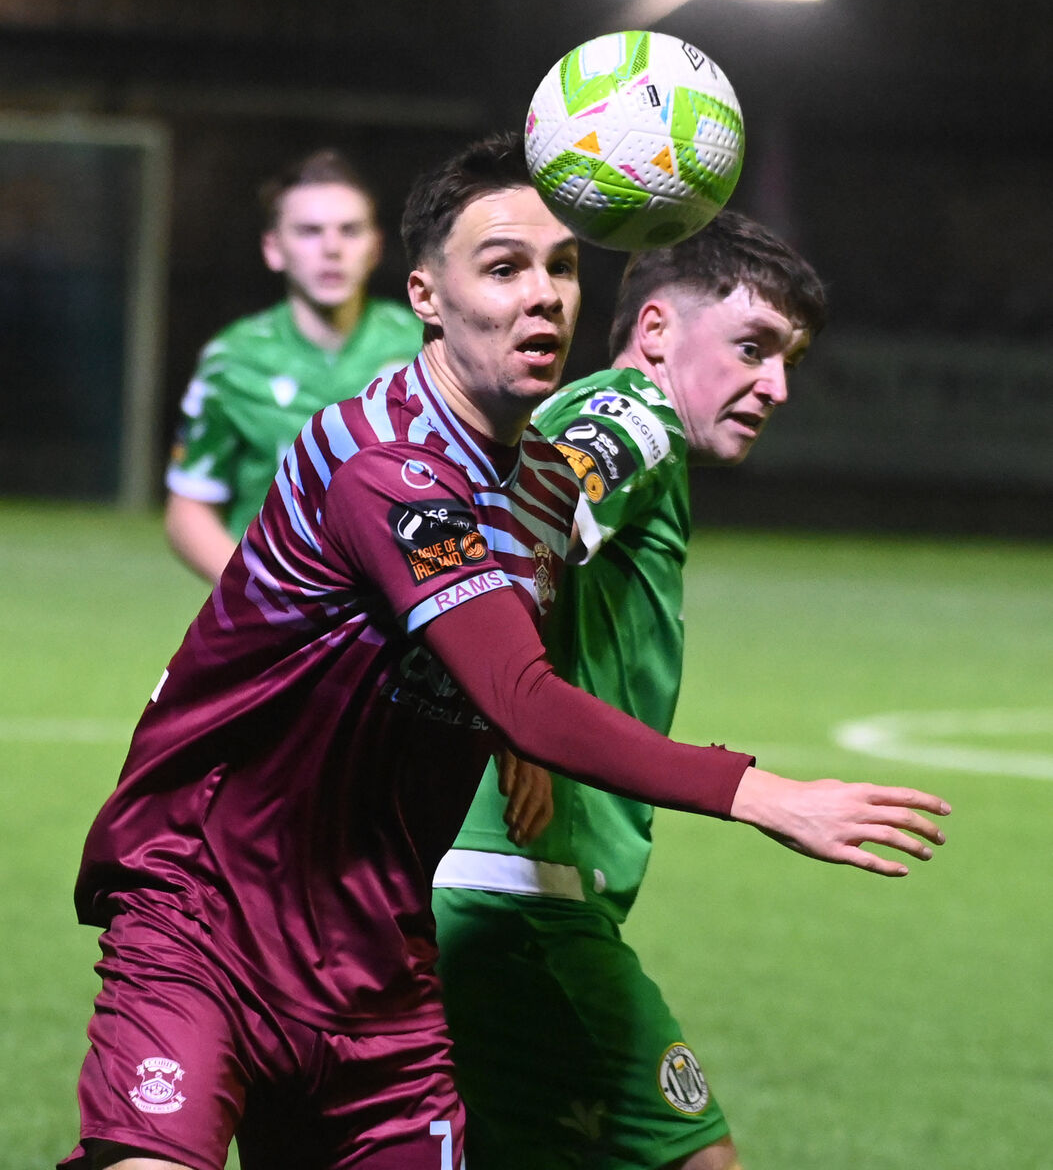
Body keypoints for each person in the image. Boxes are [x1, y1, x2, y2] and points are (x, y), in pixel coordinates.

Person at [60, 133, 949, 1170]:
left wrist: (505, 701)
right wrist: (761, 794)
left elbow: (517, 620)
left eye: (564, 266)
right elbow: (524, 687)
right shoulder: (392, 467)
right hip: (205, 911)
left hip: (379, 957)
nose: (545, 295)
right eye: (503, 267)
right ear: (425, 297)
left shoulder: (527, 475)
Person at [432, 213, 844, 1170]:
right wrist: (510, 723)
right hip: (518, 899)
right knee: (696, 1161)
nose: (775, 385)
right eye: (753, 347)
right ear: (655, 330)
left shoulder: (626, 425)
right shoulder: (631, 411)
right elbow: (516, 507)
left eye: (788, 360)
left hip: (475, 883)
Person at [164, 147, 422, 582]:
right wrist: (259, 589)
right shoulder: (233, 360)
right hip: (276, 622)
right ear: (273, 249)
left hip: (399, 617)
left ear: (376, 247)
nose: (331, 248)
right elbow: (189, 506)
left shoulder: (426, 348)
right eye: (308, 231)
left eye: (350, 230)